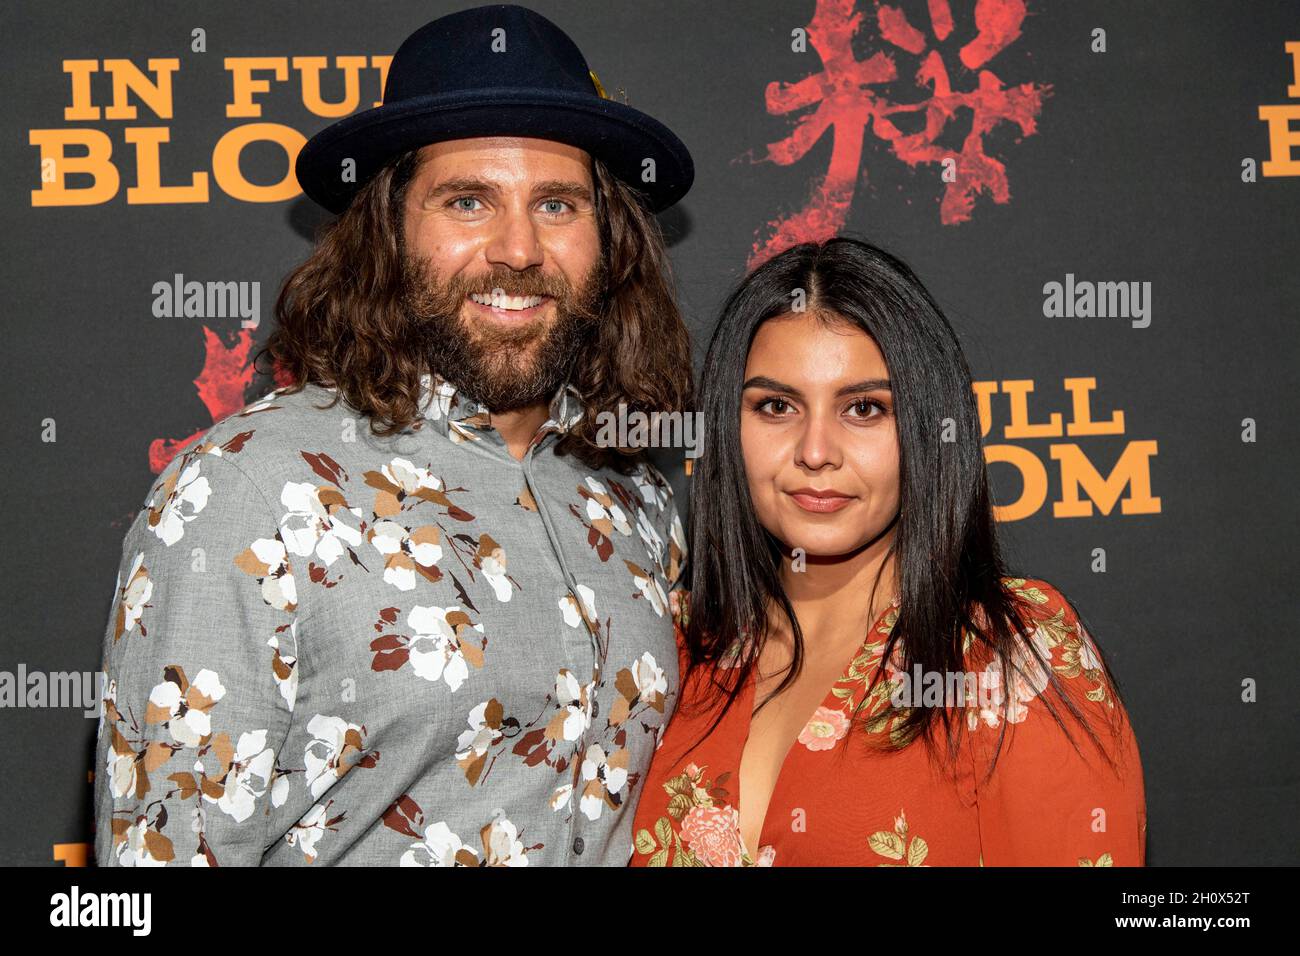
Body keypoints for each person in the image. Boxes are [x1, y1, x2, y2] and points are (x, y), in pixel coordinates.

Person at [93, 4, 694, 866]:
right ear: (387, 229)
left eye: (557, 204)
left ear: (610, 242)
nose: (518, 249)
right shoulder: (242, 492)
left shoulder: (635, 498)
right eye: (467, 201)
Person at [629, 236, 1147, 867]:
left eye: (864, 408)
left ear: (926, 429)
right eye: (776, 406)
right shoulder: (669, 654)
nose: (816, 451)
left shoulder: (1006, 655)